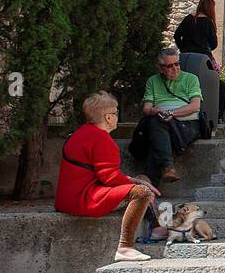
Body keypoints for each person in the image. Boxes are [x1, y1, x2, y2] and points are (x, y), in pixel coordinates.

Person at [57, 91, 161, 262]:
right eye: (115, 112)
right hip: (83, 199)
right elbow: (110, 178)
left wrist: (136, 180)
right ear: (107, 117)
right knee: (142, 192)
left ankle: (157, 228)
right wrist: (138, 184)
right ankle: (125, 247)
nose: (116, 116)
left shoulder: (79, 134)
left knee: (143, 181)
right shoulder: (102, 138)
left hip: (68, 198)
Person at [135, 46, 203, 186]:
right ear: (160, 68)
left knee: (157, 130)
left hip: (186, 124)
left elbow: (195, 106)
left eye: (177, 64)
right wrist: (156, 111)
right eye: (169, 66)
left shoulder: (191, 79)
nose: (175, 68)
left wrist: (172, 113)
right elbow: (147, 108)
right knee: (157, 123)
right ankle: (165, 170)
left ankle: (151, 183)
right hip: (161, 121)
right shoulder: (153, 81)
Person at [174, 0, 225, 120]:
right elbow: (214, 45)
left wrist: (183, 49)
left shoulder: (188, 19)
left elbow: (177, 35)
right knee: (221, 86)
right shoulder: (208, 22)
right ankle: (218, 115)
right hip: (203, 60)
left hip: (185, 59)